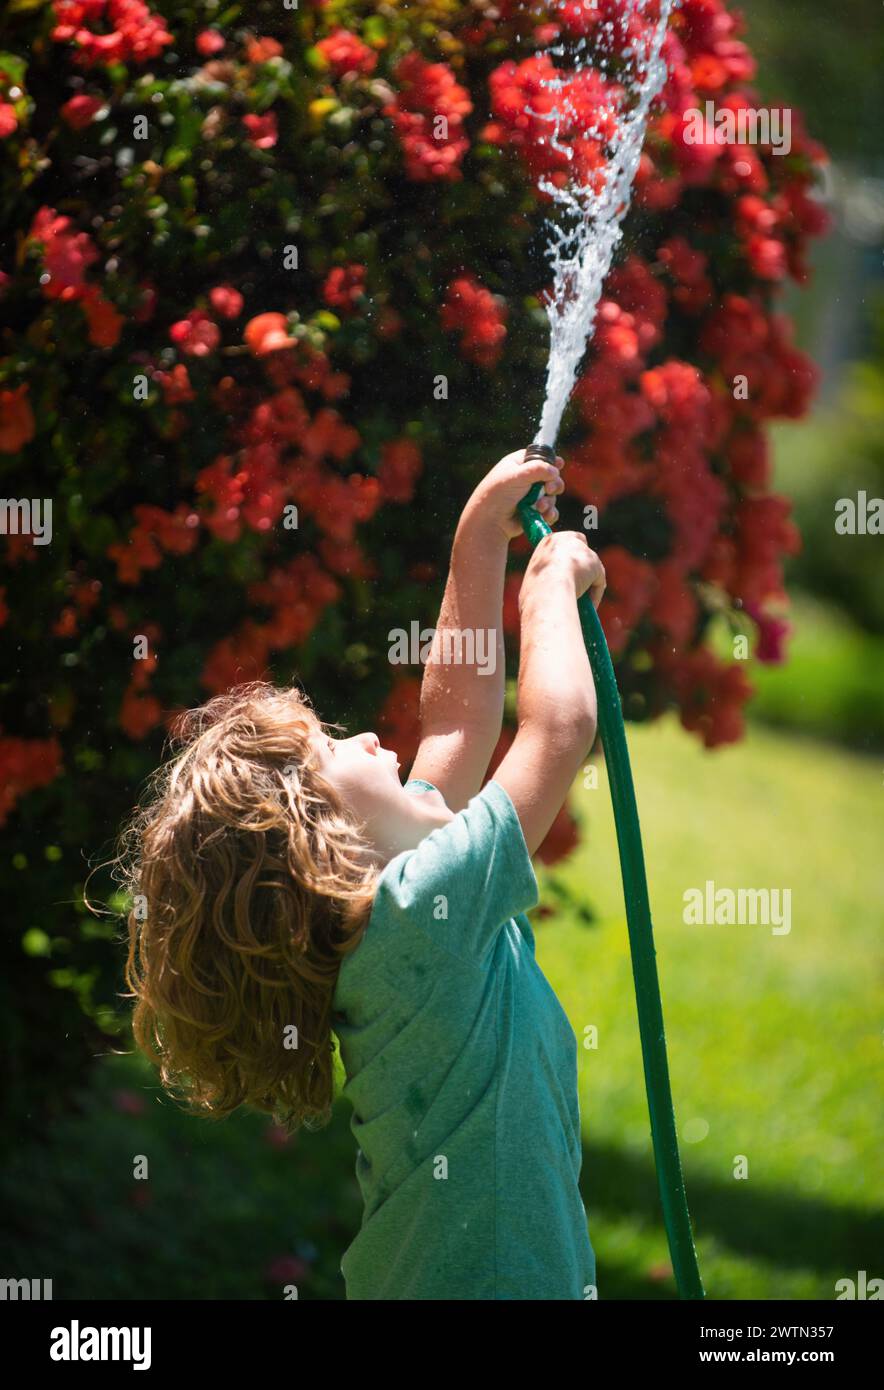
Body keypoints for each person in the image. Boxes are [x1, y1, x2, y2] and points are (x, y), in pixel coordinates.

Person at [120, 447, 606, 1299]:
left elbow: (457, 726)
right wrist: (548, 589)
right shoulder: (416, 914)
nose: (366, 739)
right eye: (329, 749)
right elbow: (557, 733)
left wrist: (476, 540)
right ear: (317, 840)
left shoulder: (400, 904)